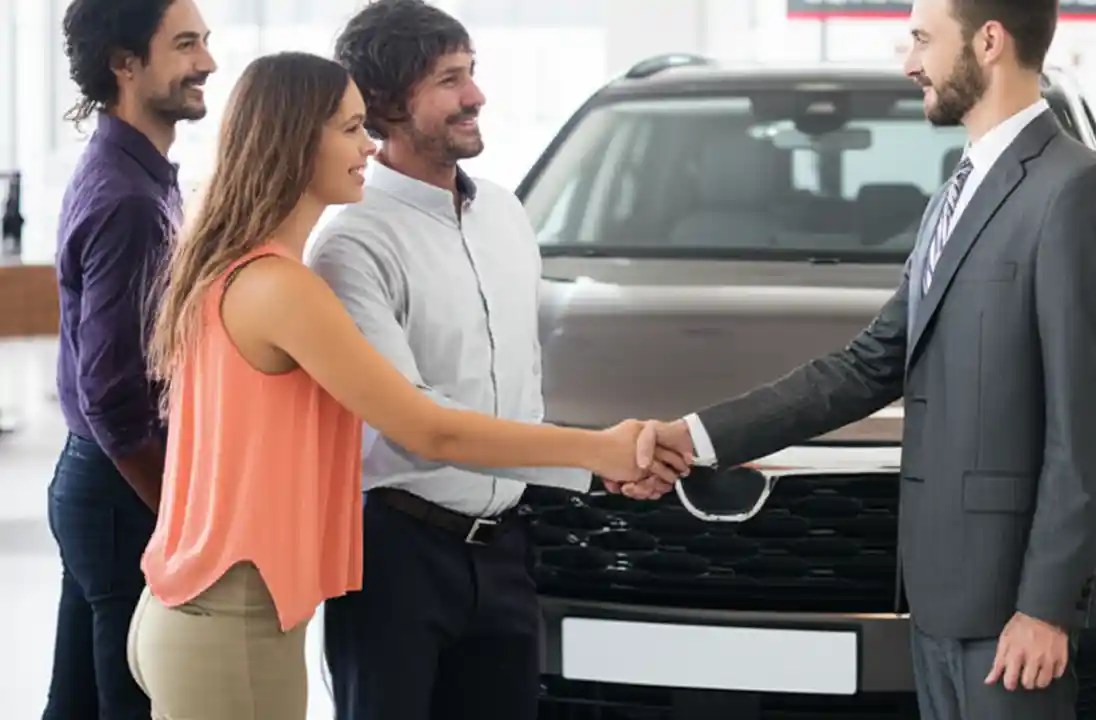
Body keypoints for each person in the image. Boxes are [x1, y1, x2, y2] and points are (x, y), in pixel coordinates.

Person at [123, 50, 680, 720]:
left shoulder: (237, 270)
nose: (369, 145)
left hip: (198, 609)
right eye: (351, 129)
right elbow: (425, 427)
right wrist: (599, 450)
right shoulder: (283, 289)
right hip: (231, 623)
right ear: (297, 140)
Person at [633, 0, 1096, 717]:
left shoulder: (1078, 193)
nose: (910, 63)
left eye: (921, 40)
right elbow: (869, 363)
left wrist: (1047, 607)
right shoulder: (955, 196)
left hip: (1010, 611)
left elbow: (1089, 426)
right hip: (939, 593)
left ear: (990, 42)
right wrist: (694, 438)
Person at [306, 3, 681, 718]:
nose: (476, 95)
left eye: (472, 72)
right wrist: (599, 454)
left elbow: (519, 397)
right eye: (450, 80)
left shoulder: (508, 215)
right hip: (397, 556)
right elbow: (427, 428)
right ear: (386, 104)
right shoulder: (351, 245)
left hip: (509, 546)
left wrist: (596, 463)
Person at [46, 0, 215, 717]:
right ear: (125, 64)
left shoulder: (135, 175)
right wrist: (181, 520)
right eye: (184, 45)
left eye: (204, 41)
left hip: (95, 482)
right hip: (122, 491)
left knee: (77, 705)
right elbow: (115, 399)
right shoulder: (131, 201)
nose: (206, 61)